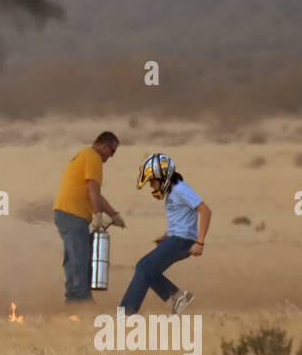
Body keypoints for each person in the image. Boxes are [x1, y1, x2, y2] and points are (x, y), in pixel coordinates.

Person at [119, 153, 211, 316]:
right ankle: (177, 298)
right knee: (149, 270)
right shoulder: (172, 192)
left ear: (163, 177)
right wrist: (166, 235)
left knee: (144, 267)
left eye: (152, 182)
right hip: (176, 238)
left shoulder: (181, 189)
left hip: (182, 240)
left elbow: (205, 211)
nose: (151, 186)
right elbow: (181, 219)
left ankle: (126, 314)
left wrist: (200, 243)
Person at [54, 132, 125, 304]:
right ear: (104, 146)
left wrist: (113, 214)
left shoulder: (85, 155)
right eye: (112, 151)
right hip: (73, 214)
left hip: (66, 213)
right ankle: (80, 299)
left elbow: (95, 194)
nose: (112, 156)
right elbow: (93, 189)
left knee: (75, 257)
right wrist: (98, 214)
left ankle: (75, 297)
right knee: (79, 258)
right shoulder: (93, 158)